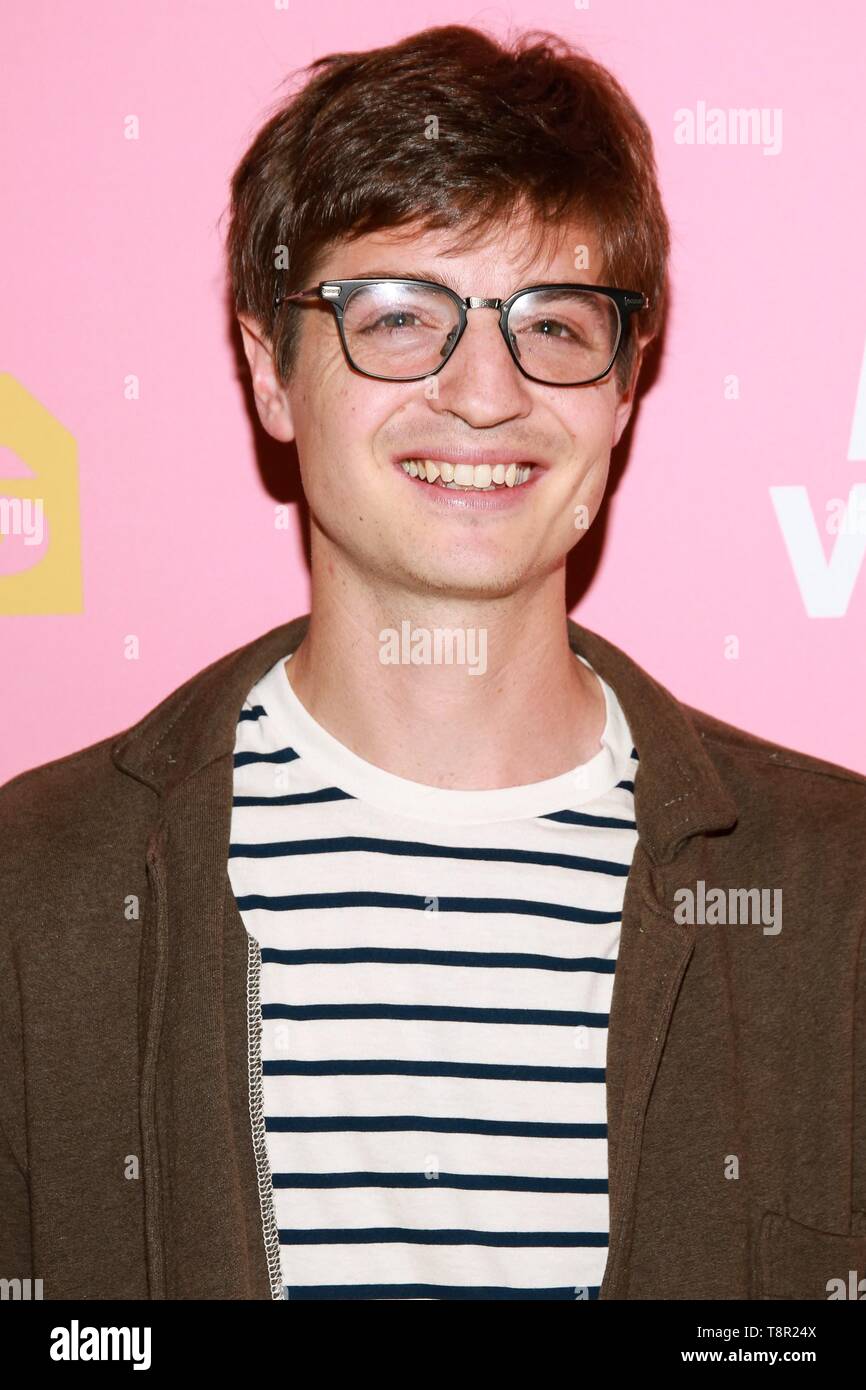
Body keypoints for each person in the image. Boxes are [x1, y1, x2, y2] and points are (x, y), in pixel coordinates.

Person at [1, 24, 865, 1303]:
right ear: (268, 372)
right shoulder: (38, 885)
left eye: (554, 323)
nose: (480, 392)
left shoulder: (833, 887)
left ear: (623, 387)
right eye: (398, 317)